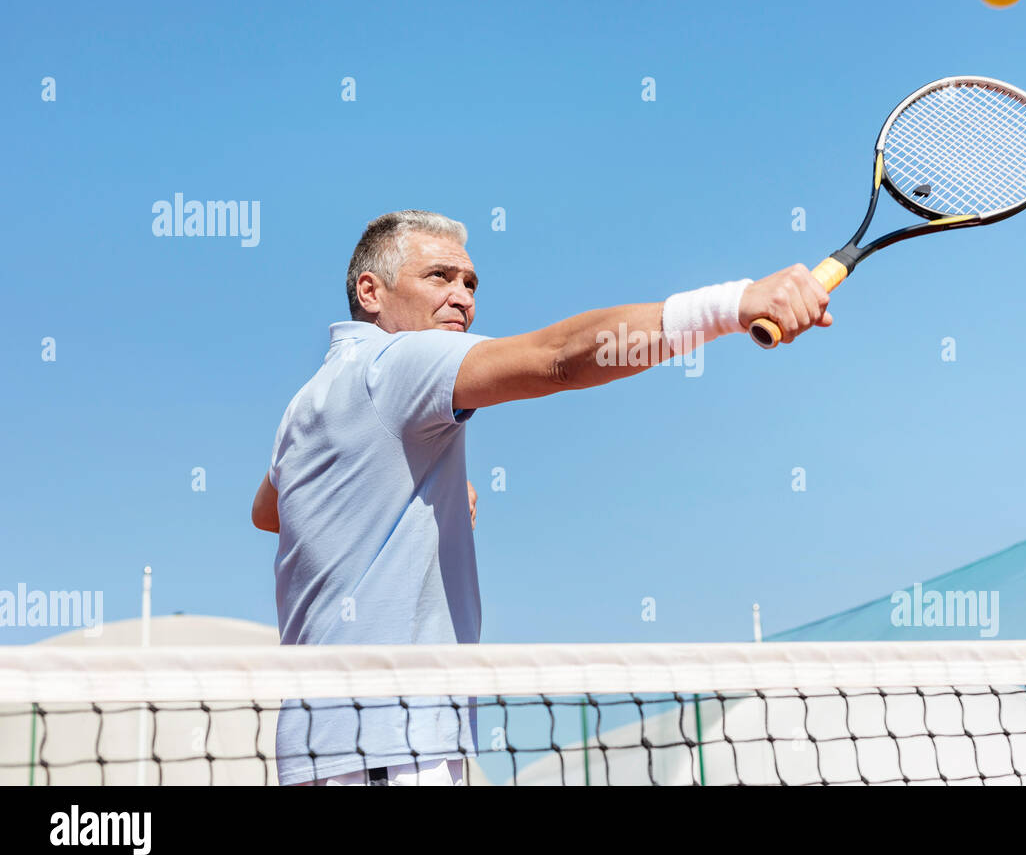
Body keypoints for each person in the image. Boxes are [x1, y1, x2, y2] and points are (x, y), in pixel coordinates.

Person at [251, 209, 831, 785]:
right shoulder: (398, 360)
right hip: (389, 742)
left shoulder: (307, 402)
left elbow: (270, 511)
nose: (462, 297)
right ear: (370, 292)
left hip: (323, 746)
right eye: (439, 277)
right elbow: (558, 358)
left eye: (470, 283)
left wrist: (407, 482)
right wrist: (731, 305)